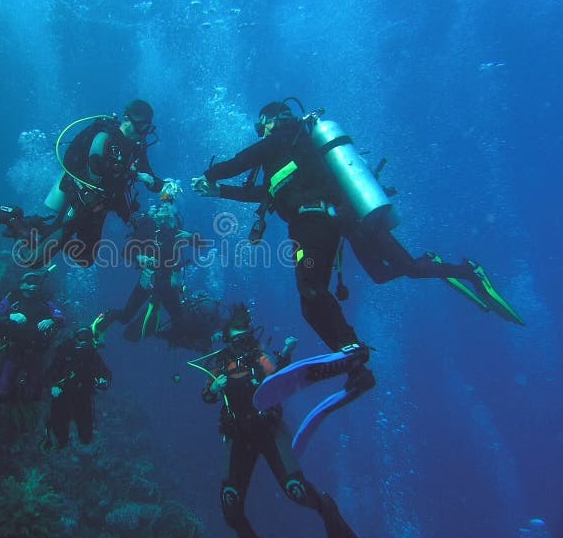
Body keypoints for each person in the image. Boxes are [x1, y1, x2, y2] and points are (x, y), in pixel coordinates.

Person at [191, 99, 524, 400]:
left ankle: (353, 355)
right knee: (386, 272)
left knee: (311, 295)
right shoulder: (293, 153)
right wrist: (219, 191)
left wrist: (206, 175)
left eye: (259, 125)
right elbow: (267, 192)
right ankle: (463, 270)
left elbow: (240, 161)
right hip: (344, 220)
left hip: (315, 226)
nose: (260, 131)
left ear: (269, 119)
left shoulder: (282, 134)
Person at [197, 304, 358, 538]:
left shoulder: (261, 359)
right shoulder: (219, 364)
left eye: (245, 340)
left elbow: (281, 382)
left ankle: (331, 515)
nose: (242, 346)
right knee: (231, 507)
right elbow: (207, 397)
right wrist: (213, 388)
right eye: (236, 341)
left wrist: (286, 353)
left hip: (269, 431)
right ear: (228, 341)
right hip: (238, 435)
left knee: (297, 491)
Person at [0, 99, 165, 269]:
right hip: (79, 203)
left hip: (99, 210)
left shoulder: (137, 149)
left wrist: (164, 185)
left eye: (148, 127)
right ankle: (12, 217)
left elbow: (151, 179)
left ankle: (40, 227)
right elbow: (93, 165)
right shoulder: (105, 135)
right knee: (32, 260)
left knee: (85, 259)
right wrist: (121, 179)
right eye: (143, 126)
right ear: (128, 118)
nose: (144, 133)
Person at [91, 181, 207, 345]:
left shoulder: (178, 227)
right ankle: (107, 317)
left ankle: (165, 339)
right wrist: (140, 258)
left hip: (168, 282)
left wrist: (190, 236)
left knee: (179, 322)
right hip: (148, 280)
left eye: (172, 202)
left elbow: (202, 244)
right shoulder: (148, 223)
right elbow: (127, 251)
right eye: (165, 201)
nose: (167, 208)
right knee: (125, 316)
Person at [0, 267, 65, 405]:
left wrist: (51, 320)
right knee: (3, 391)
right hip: (14, 350)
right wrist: (10, 316)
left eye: (35, 282)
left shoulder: (45, 301)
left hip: (36, 352)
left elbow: (61, 319)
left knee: (34, 394)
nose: (32, 285)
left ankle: (28, 410)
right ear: (21, 284)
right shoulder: (11, 299)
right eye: (28, 282)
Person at [46, 327, 112, 448]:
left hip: (83, 396)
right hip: (63, 394)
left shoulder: (92, 355)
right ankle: (60, 442)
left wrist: (104, 380)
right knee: (60, 436)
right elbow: (51, 372)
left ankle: (74, 438)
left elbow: (105, 372)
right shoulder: (65, 352)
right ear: (76, 338)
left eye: (88, 337)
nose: (85, 341)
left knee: (86, 437)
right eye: (82, 337)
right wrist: (53, 386)